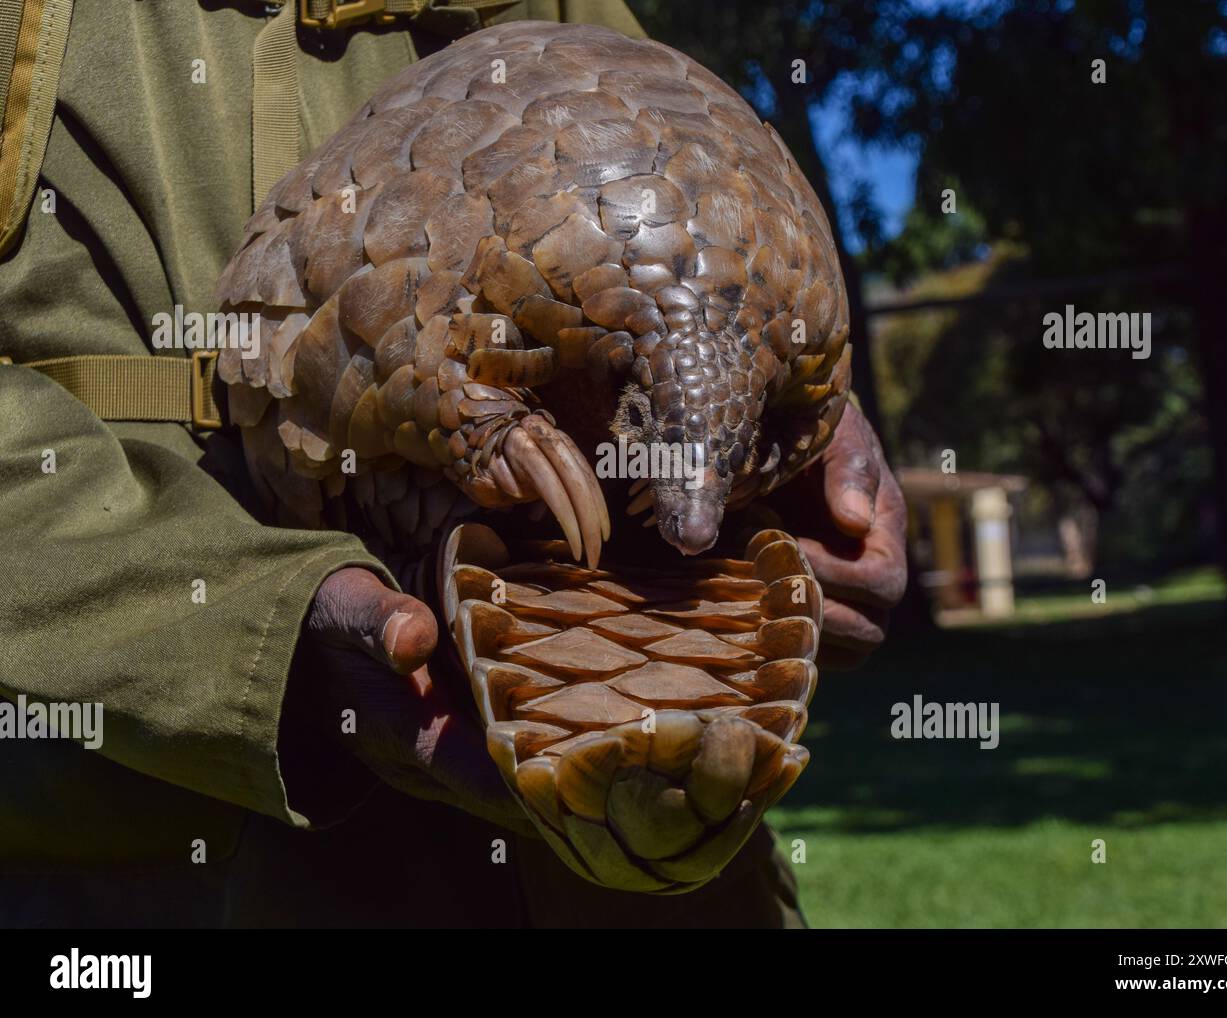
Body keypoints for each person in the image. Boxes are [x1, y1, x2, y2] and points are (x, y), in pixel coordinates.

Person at [0, 0, 906, 927]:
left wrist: (805, 415)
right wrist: (251, 626)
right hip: (189, 871)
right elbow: (387, 298)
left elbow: (667, 142)